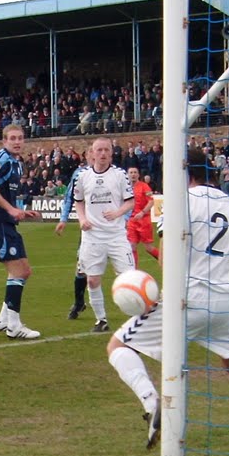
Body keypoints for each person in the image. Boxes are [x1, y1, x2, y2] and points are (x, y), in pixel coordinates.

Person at [107, 147, 229, 449]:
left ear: (184, 174)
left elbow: (167, 259)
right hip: (224, 304)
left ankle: (153, 404)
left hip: (186, 300)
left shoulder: (181, 204)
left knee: (118, 345)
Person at [0, 124, 42, 339]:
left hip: (6, 223)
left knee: (24, 271)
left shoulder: (16, 164)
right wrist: (10, 209)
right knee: (18, 271)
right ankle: (14, 326)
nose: (17, 141)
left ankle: (3, 319)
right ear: (4, 141)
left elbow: (5, 194)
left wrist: (21, 212)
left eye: (20, 138)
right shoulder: (3, 159)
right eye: (12, 138)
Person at [72, 136, 136, 332]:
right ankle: (101, 320)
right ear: (92, 153)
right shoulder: (82, 176)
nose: (102, 154)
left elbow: (130, 201)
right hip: (92, 236)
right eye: (98, 150)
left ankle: (137, 318)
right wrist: (82, 219)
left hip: (116, 235)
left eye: (106, 150)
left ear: (111, 152)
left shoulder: (120, 175)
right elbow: (79, 201)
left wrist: (117, 213)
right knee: (92, 279)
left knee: (129, 279)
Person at [54, 162, 89, 321]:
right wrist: (63, 219)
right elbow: (69, 197)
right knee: (82, 266)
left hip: (111, 229)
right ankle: (79, 302)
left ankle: (137, 300)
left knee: (123, 266)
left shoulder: (115, 174)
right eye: (95, 152)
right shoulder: (79, 174)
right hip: (88, 228)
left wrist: (123, 219)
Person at [125, 165, 160, 269]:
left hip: (144, 221)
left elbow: (151, 201)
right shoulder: (125, 188)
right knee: (132, 246)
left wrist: (143, 212)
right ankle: (134, 271)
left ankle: (165, 261)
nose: (133, 174)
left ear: (138, 175)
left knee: (148, 248)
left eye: (135, 172)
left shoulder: (144, 186)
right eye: (131, 173)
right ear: (127, 175)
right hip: (132, 221)